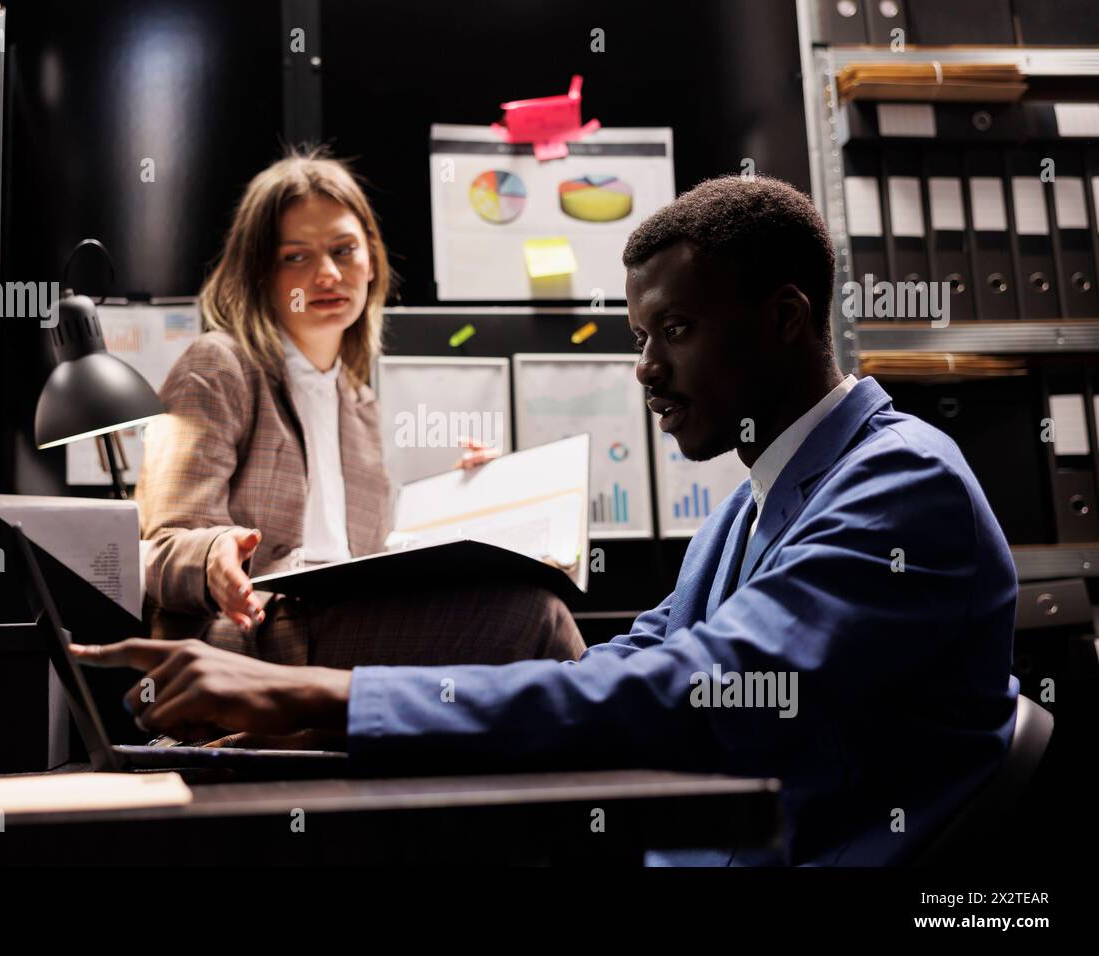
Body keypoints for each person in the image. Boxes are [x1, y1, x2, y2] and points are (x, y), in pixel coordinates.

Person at [78, 175, 1020, 866]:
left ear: (783, 319)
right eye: (638, 340)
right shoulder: (749, 510)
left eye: (674, 332)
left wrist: (330, 697)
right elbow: (631, 664)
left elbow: (702, 688)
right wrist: (342, 700)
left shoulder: (902, 485)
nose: (644, 369)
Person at [135, 147, 584, 667]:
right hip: (248, 638)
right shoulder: (217, 366)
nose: (327, 274)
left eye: (344, 250)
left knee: (519, 622)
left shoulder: (358, 401)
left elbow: (369, 562)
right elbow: (157, 548)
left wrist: (463, 506)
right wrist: (212, 554)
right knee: (531, 618)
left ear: (371, 258)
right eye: (295, 257)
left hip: (338, 623)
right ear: (260, 272)